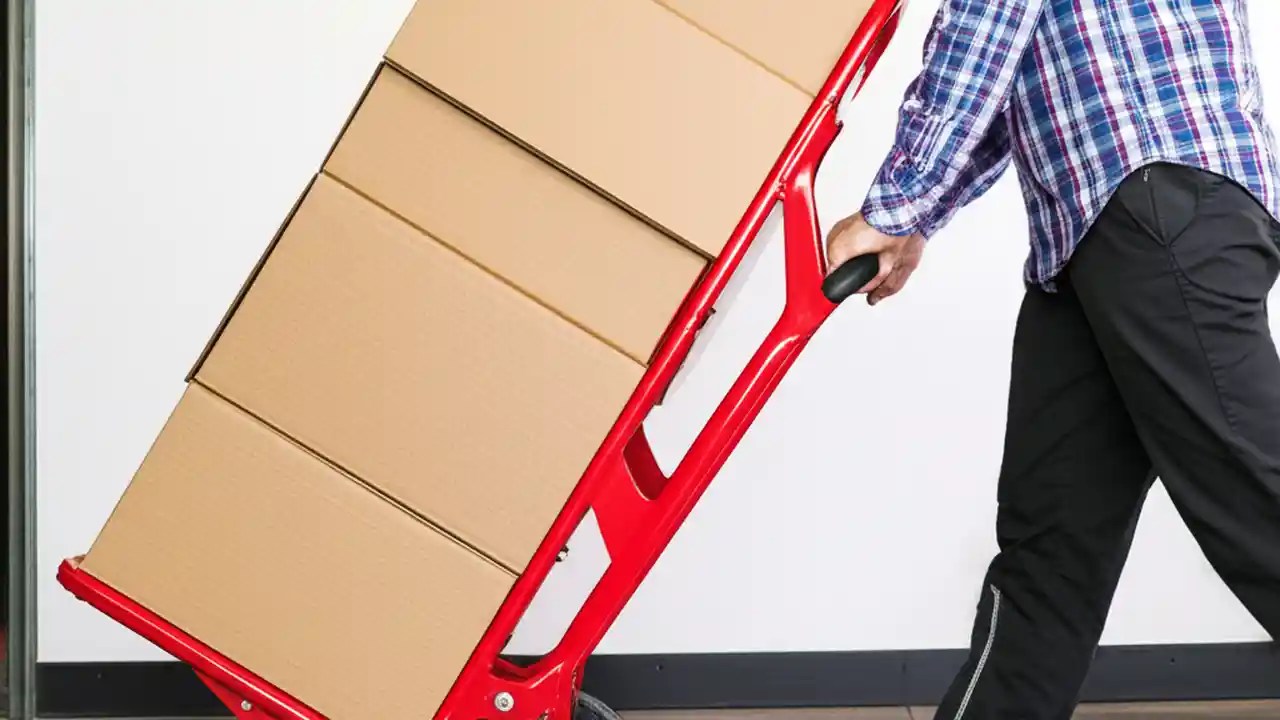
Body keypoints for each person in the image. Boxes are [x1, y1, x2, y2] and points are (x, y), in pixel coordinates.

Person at [825, 1, 1280, 717]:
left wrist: (896, 205)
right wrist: (916, 218)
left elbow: (989, 21)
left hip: (1153, 197)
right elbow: (1011, 70)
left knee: (1257, 500)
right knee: (1051, 551)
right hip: (1095, 235)